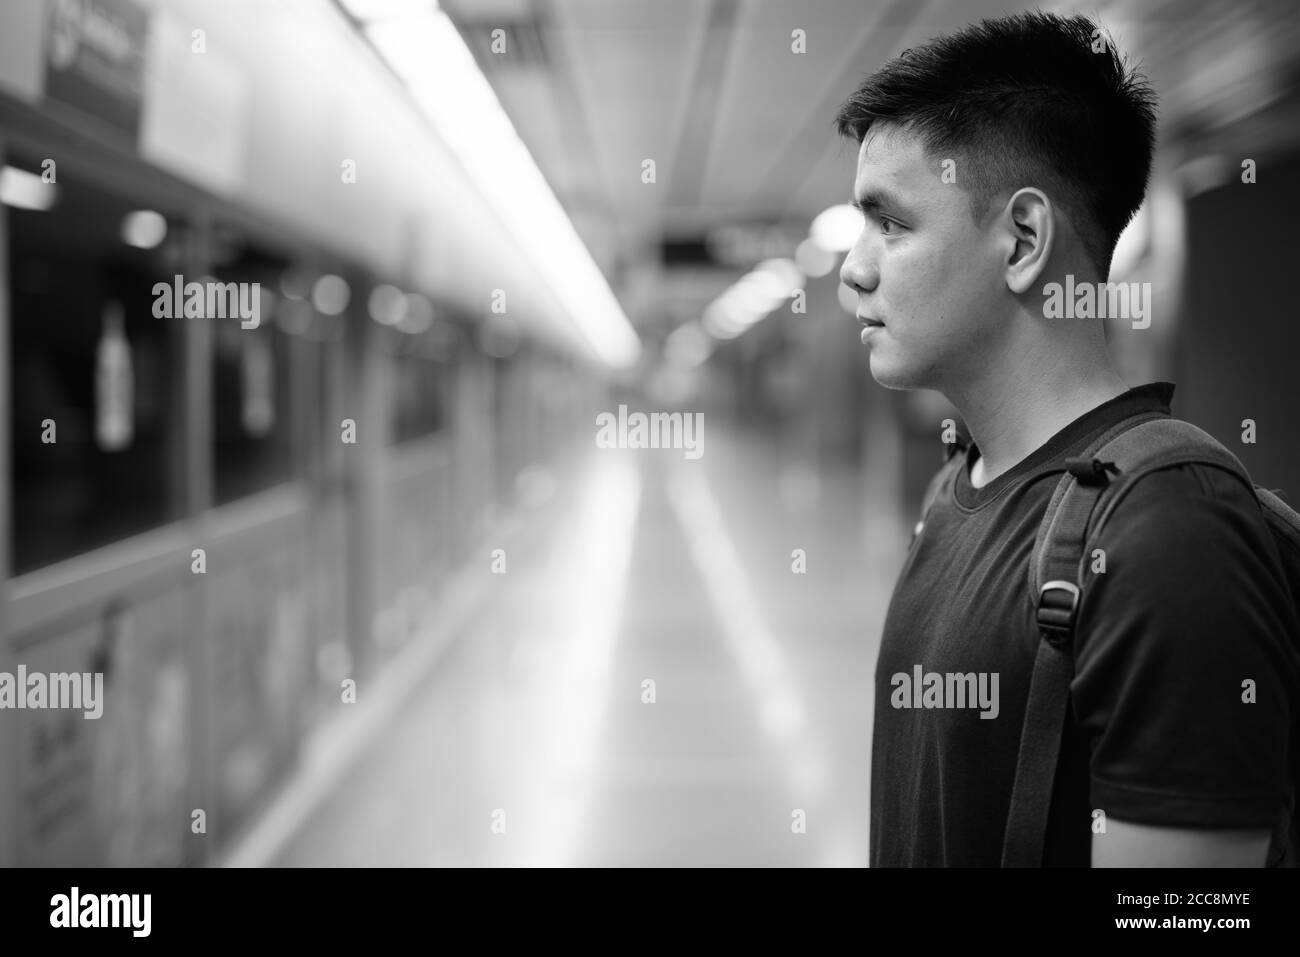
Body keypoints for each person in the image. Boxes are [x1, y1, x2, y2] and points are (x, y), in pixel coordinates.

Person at [835, 10, 1298, 866]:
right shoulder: (957, 493)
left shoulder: (1167, 531)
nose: (853, 268)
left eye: (890, 223)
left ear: (1024, 240)